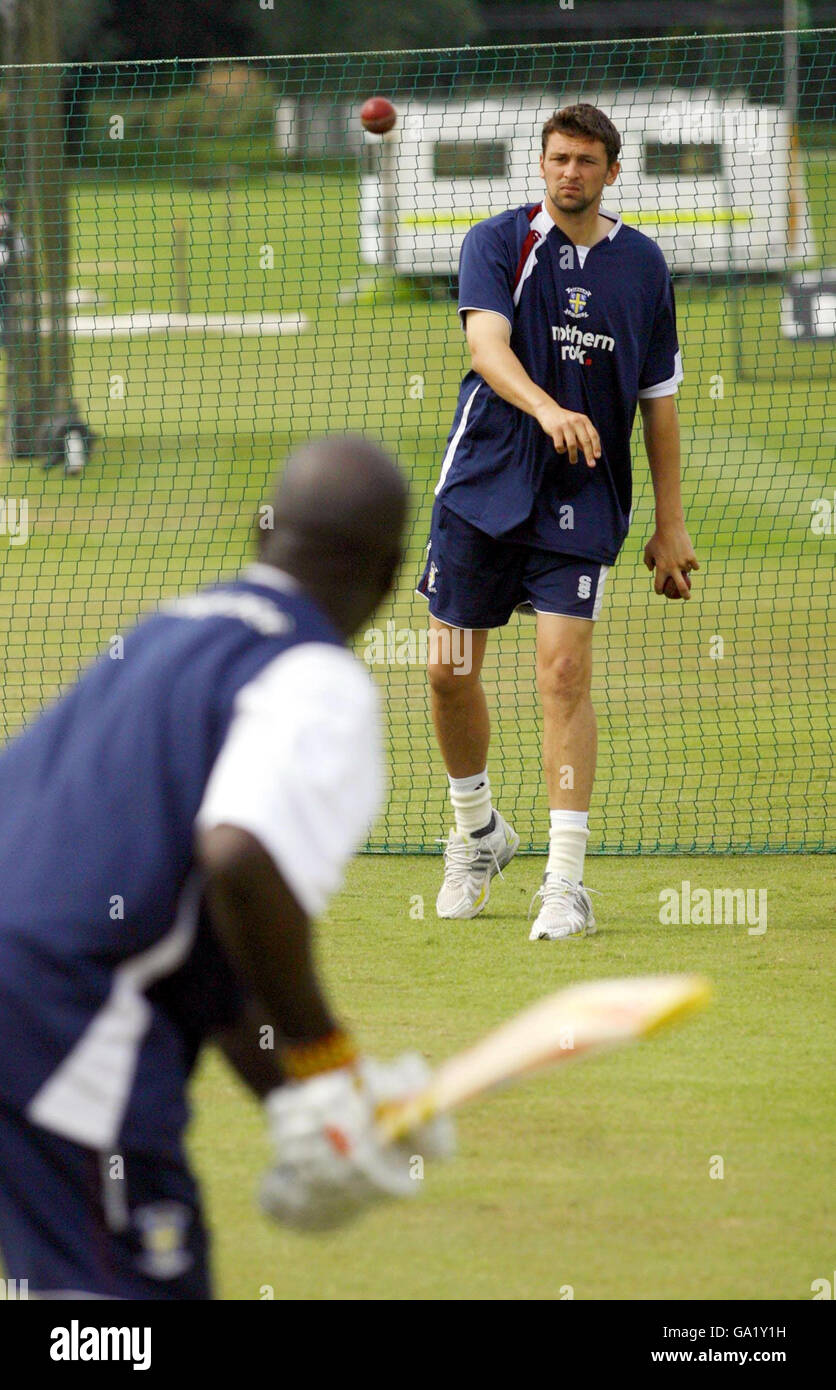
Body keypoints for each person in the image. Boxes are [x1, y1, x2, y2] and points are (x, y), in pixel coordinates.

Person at [0, 435, 451, 1300]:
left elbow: (205, 943)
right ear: (394, 572)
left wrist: (297, 1097)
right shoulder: (315, 677)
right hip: (69, 1021)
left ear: (262, 530)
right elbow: (239, 859)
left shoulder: (171, 628)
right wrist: (326, 1064)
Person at [418, 103, 699, 942]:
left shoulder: (644, 265)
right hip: (483, 481)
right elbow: (487, 350)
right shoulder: (498, 242)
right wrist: (546, 409)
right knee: (446, 670)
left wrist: (671, 524)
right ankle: (478, 835)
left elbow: (659, 403)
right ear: (540, 166)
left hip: (583, 496)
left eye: (585, 160)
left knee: (563, 675)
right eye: (557, 158)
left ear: (613, 171)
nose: (569, 171)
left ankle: (565, 883)